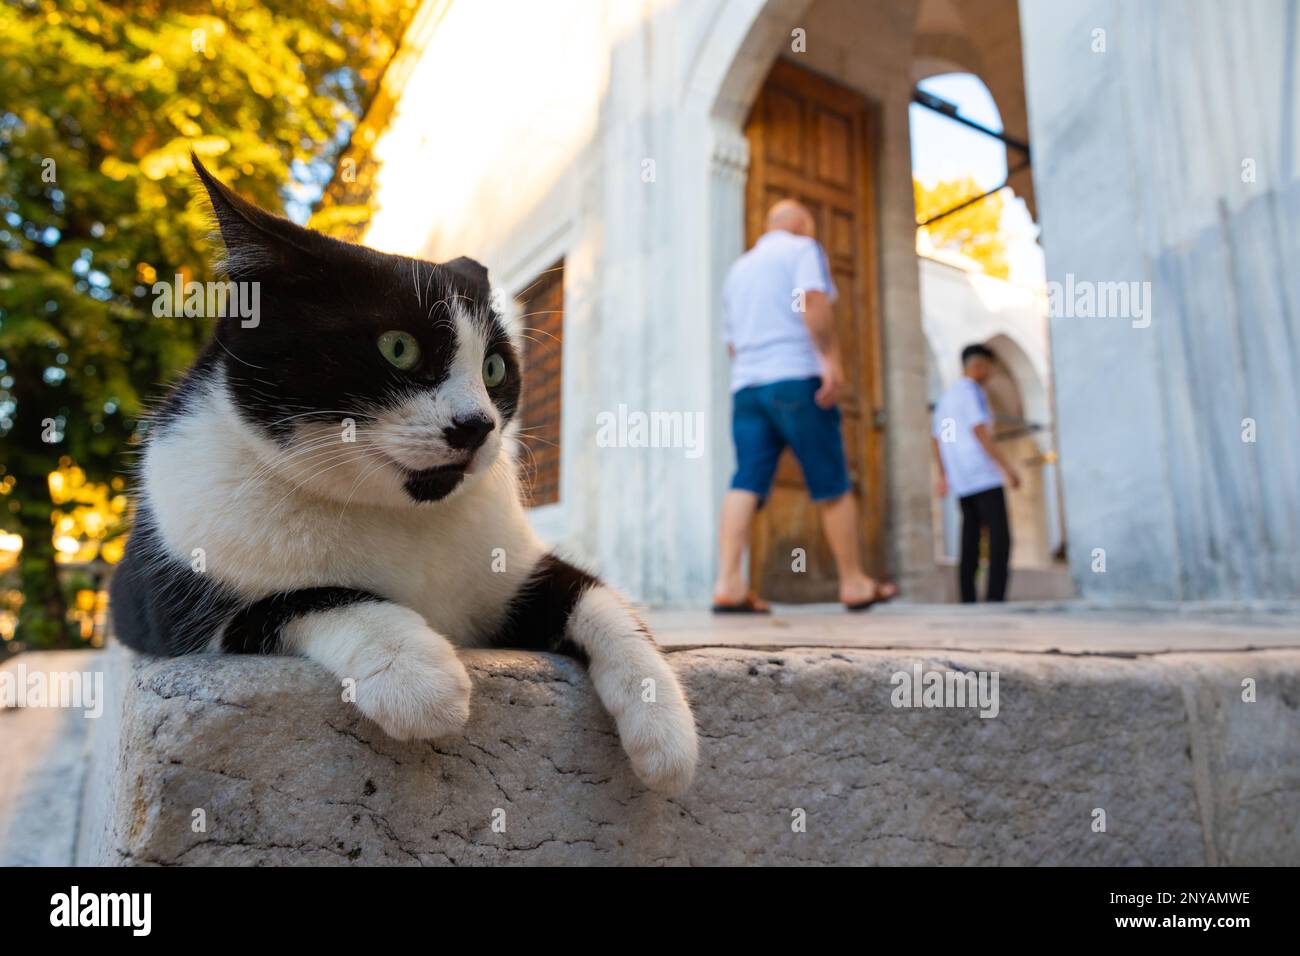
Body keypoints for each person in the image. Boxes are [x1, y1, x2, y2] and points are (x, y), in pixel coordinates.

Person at [712, 199, 897, 614]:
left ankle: (727, 583)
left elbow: (731, 343)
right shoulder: (801, 250)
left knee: (745, 481)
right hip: (795, 378)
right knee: (830, 477)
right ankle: (853, 583)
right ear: (798, 223)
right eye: (810, 225)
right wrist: (830, 362)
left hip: (747, 387)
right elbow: (812, 301)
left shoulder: (738, 270)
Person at [931, 344, 1021, 602]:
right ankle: (995, 596)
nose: (990, 373)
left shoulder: (947, 398)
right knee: (999, 536)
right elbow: (979, 430)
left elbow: (936, 438)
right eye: (989, 367)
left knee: (970, 535)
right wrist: (1006, 467)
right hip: (983, 474)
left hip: (961, 477)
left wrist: (943, 474)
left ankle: (967, 596)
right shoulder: (972, 393)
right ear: (979, 365)